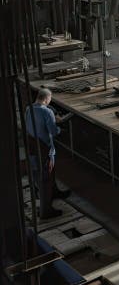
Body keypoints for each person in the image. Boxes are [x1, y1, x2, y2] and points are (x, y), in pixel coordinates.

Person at [25, 88, 69, 219]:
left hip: (32, 145)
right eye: (50, 99)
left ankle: (54, 192)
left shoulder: (28, 108)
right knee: (45, 178)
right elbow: (53, 131)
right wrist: (60, 128)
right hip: (44, 148)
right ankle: (46, 211)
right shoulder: (47, 111)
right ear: (46, 98)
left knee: (44, 174)